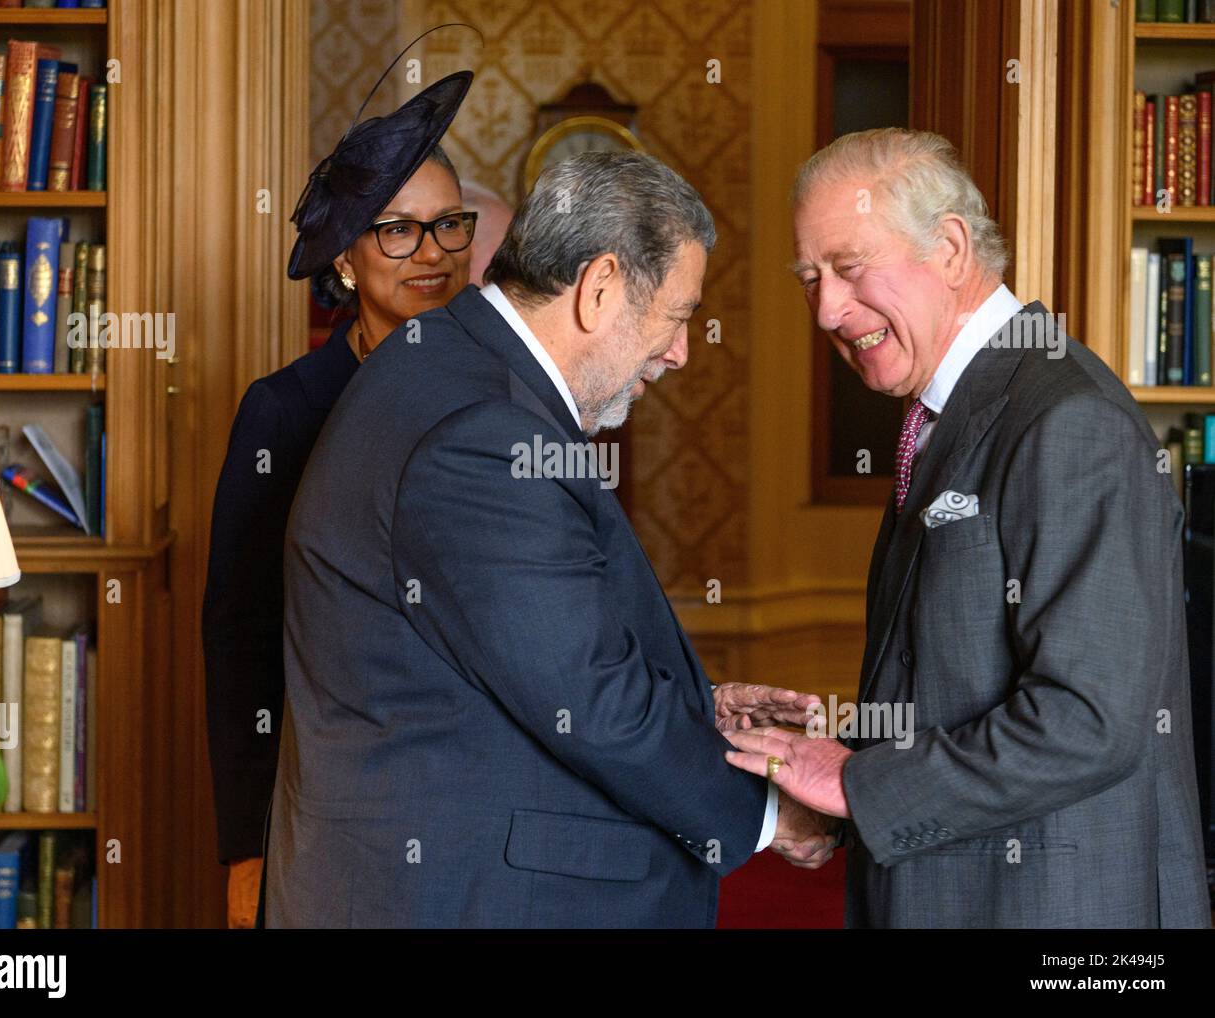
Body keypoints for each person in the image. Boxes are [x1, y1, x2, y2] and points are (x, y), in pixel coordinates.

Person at [265, 150, 835, 928]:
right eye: (677, 316)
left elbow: (526, 653)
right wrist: (775, 814)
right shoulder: (485, 431)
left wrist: (701, 709)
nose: (680, 352)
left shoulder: (453, 368)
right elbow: (590, 699)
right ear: (599, 286)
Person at [725, 127, 1210, 928]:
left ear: (950, 247)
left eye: (848, 269)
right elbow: (962, 681)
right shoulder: (955, 409)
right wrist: (846, 749)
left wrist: (856, 783)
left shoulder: (1067, 418)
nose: (825, 310)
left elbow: (1088, 722)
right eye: (811, 278)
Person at [202, 70, 477, 929]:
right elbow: (238, 638)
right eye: (396, 232)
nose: (431, 253)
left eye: (448, 227)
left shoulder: (502, 397)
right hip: (325, 807)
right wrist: (246, 849)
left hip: (472, 797)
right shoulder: (282, 410)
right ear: (346, 260)